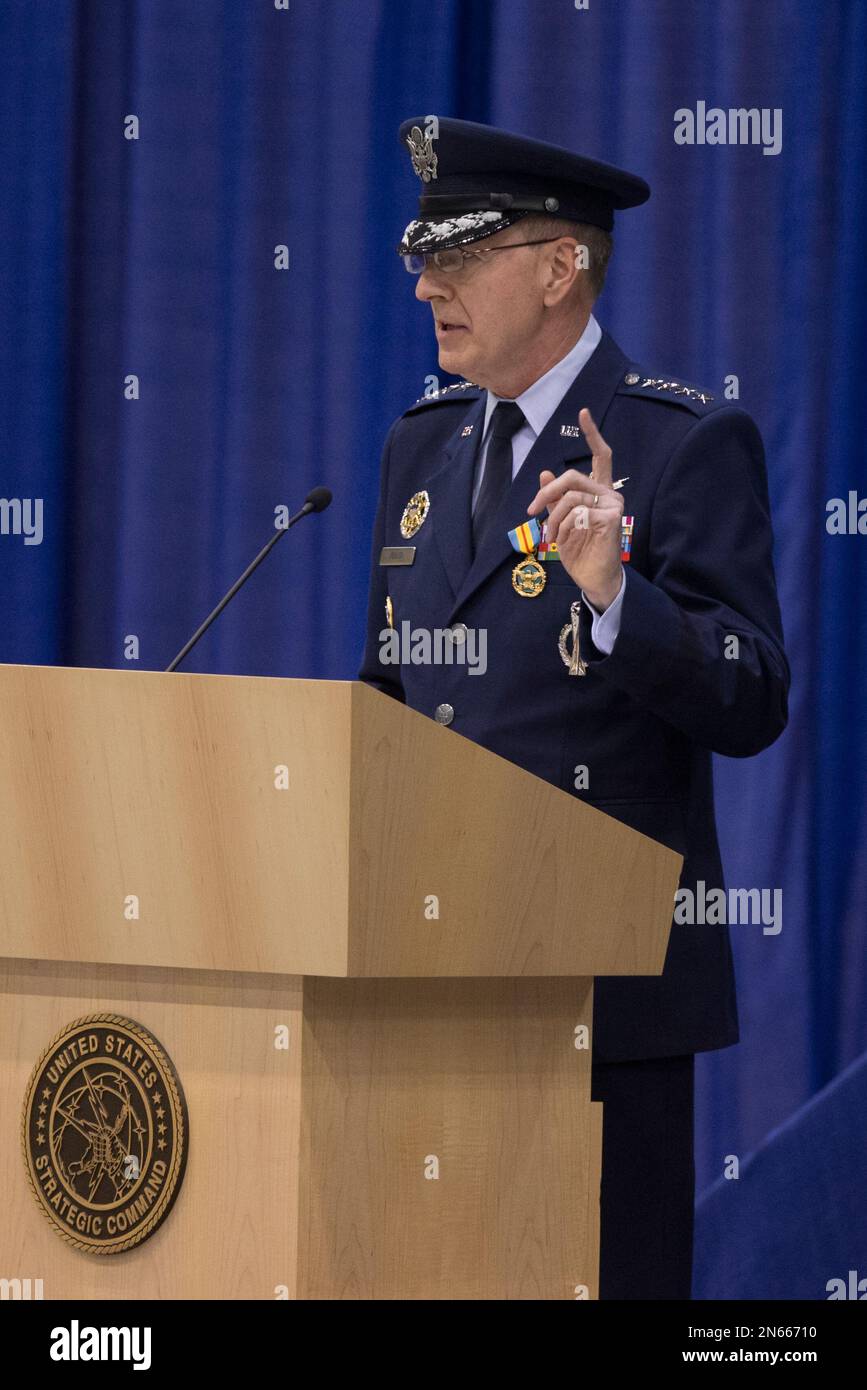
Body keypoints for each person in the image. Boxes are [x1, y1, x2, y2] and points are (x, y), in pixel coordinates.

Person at [359, 115, 790, 1299]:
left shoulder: (684, 441)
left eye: (459, 257)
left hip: (602, 1006)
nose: (426, 285)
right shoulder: (419, 446)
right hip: (429, 985)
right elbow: (389, 700)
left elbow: (752, 692)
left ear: (560, 269)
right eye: (422, 258)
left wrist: (616, 597)